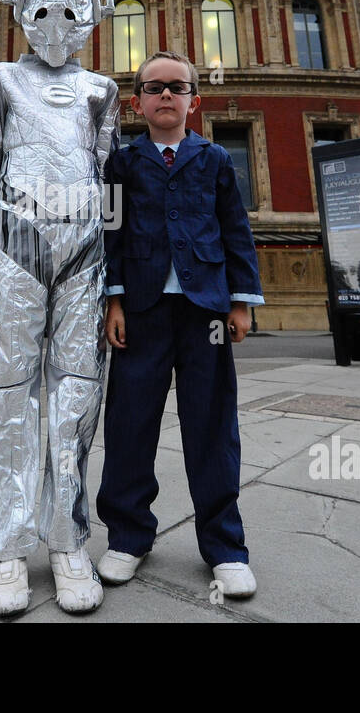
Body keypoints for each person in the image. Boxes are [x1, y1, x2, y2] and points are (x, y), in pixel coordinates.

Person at [0, 0, 119, 616]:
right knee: (9, 384)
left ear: (89, 16)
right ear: (23, 12)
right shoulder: (0, 78)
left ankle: (66, 540)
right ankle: (5, 547)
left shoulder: (103, 91)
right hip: (20, 239)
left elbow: (108, 174)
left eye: (71, 12)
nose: (57, 25)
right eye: (44, 11)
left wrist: (110, 265)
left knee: (78, 388)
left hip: (85, 247)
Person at [95, 50, 265, 600]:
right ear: (136, 101)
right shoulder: (121, 163)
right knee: (129, 422)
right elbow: (112, 234)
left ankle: (225, 547)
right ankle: (127, 535)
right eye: (154, 87)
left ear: (196, 99)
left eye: (177, 86)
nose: (166, 95)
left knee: (213, 426)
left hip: (207, 311)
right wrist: (112, 301)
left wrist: (241, 301)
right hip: (140, 310)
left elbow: (235, 230)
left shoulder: (214, 159)